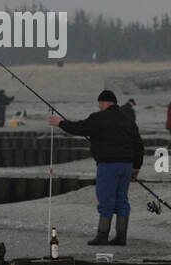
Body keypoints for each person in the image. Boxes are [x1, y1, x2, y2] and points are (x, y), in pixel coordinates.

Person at [50, 89, 145, 246]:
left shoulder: (99, 118)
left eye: (100, 104)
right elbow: (138, 144)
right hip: (127, 165)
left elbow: (80, 128)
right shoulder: (128, 119)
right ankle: (121, 237)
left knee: (106, 199)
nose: (99, 106)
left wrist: (59, 123)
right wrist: (137, 167)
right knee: (122, 200)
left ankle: (102, 235)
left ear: (105, 102)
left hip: (108, 165)